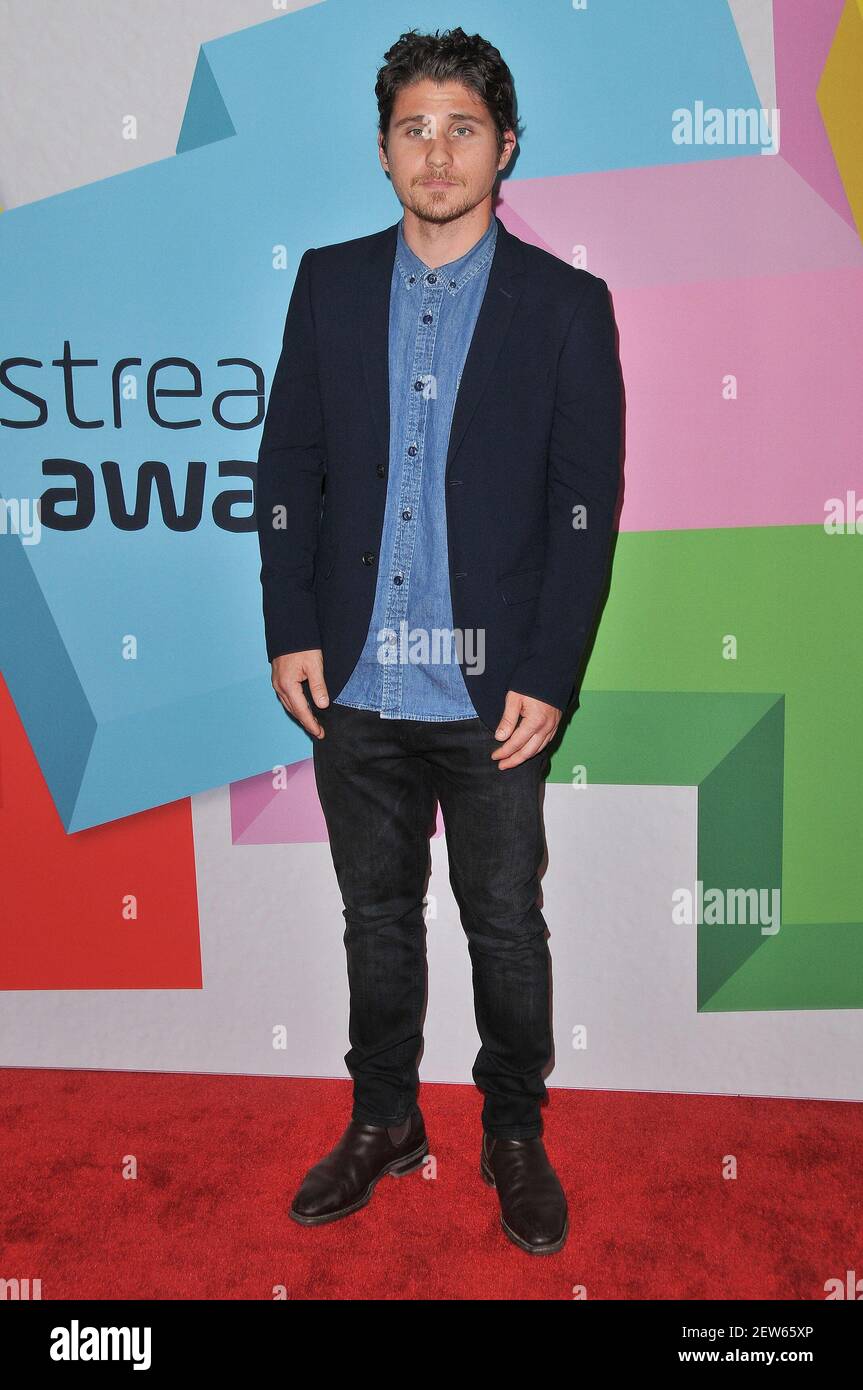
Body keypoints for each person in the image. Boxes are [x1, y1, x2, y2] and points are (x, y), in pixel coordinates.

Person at [256, 26, 622, 1255]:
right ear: (381, 149)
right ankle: (383, 1120)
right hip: (354, 680)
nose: (436, 149)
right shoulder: (327, 282)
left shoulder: (567, 307)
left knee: (504, 923)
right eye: (413, 126)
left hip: (490, 694)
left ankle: (511, 1131)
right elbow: (289, 467)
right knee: (373, 918)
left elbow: (586, 506)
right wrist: (290, 625)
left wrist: (550, 672)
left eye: (461, 126)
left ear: (504, 147)